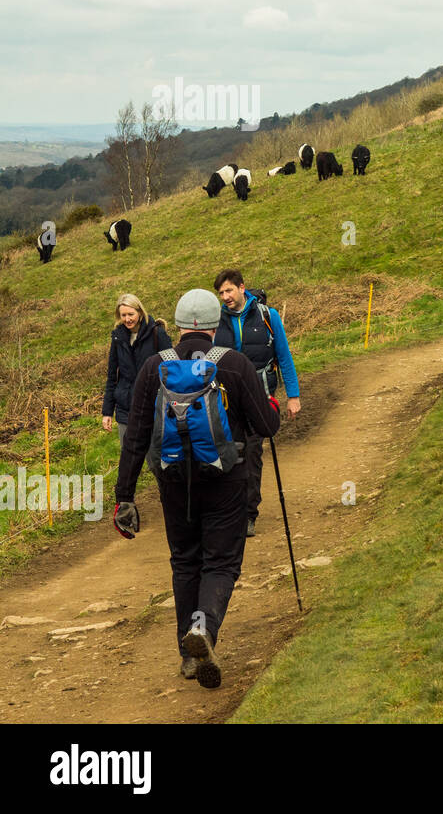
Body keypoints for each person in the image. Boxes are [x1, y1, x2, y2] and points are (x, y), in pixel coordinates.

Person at [113, 288, 280, 689]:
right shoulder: (234, 364)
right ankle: (203, 629)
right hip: (226, 481)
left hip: (172, 483)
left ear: (180, 324)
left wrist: (125, 496)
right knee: (220, 563)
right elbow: (265, 427)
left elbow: (135, 435)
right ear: (213, 324)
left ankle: (188, 656)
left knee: (185, 561)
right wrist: (269, 406)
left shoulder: (155, 367)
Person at [213, 270, 300, 538]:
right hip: (225, 400)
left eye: (229, 291)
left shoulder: (267, 316)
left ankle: (249, 513)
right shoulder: (216, 321)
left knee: (252, 454)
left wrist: (293, 395)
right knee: (228, 454)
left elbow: (283, 356)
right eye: (221, 293)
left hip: (260, 395)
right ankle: (229, 511)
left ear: (242, 288)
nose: (225, 297)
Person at [102, 294, 171, 449]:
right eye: (123, 315)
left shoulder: (157, 334)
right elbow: (112, 376)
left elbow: (172, 369)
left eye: (131, 314)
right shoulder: (117, 338)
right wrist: (107, 412)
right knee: (129, 457)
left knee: (156, 457)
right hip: (125, 408)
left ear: (140, 312)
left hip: (152, 406)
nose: (127, 319)